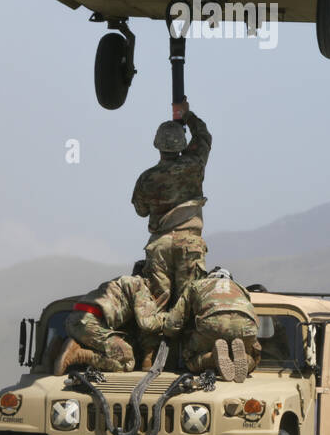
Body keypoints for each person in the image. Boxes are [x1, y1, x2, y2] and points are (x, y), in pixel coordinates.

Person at [132, 102, 211, 306]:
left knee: (158, 305)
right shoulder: (194, 164)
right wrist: (186, 115)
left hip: (160, 246)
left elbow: (141, 211)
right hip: (189, 243)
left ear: (157, 145)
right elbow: (203, 137)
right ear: (182, 145)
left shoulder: (146, 178)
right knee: (189, 305)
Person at [142, 268, 260, 383]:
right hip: (247, 326)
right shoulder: (241, 288)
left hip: (212, 323)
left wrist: (168, 332)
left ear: (209, 277)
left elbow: (174, 322)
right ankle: (245, 358)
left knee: (189, 359)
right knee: (254, 357)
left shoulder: (197, 285)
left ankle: (213, 358)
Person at [54, 268, 162, 374]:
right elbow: (147, 323)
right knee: (127, 361)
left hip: (73, 321)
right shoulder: (140, 286)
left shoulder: (119, 284)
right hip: (90, 323)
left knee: (111, 347)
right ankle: (79, 355)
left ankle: (54, 350)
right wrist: (166, 317)